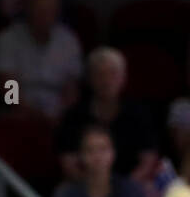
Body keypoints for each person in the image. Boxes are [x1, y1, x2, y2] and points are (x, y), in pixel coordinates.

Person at [56, 46, 158, 182]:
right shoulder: (74, 116)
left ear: (123, 78)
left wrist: (124, 189)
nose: (106, 81)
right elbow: (68, 163)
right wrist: (95, 189)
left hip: (131, 185)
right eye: (100, 74)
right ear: (90, 79)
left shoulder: (138, 113)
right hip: (84, 187)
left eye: (112, 74)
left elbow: (148, 160)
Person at [0, 0, 83, 122]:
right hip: (19, 110)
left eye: (51, 11)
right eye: (40, 11)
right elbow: (9, 87)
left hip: (58, 113)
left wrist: (63, 113)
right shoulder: (7, 39)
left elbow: (72, 87)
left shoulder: (68, 40)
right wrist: (30, 112)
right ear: (28, 9)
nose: (46, 16)